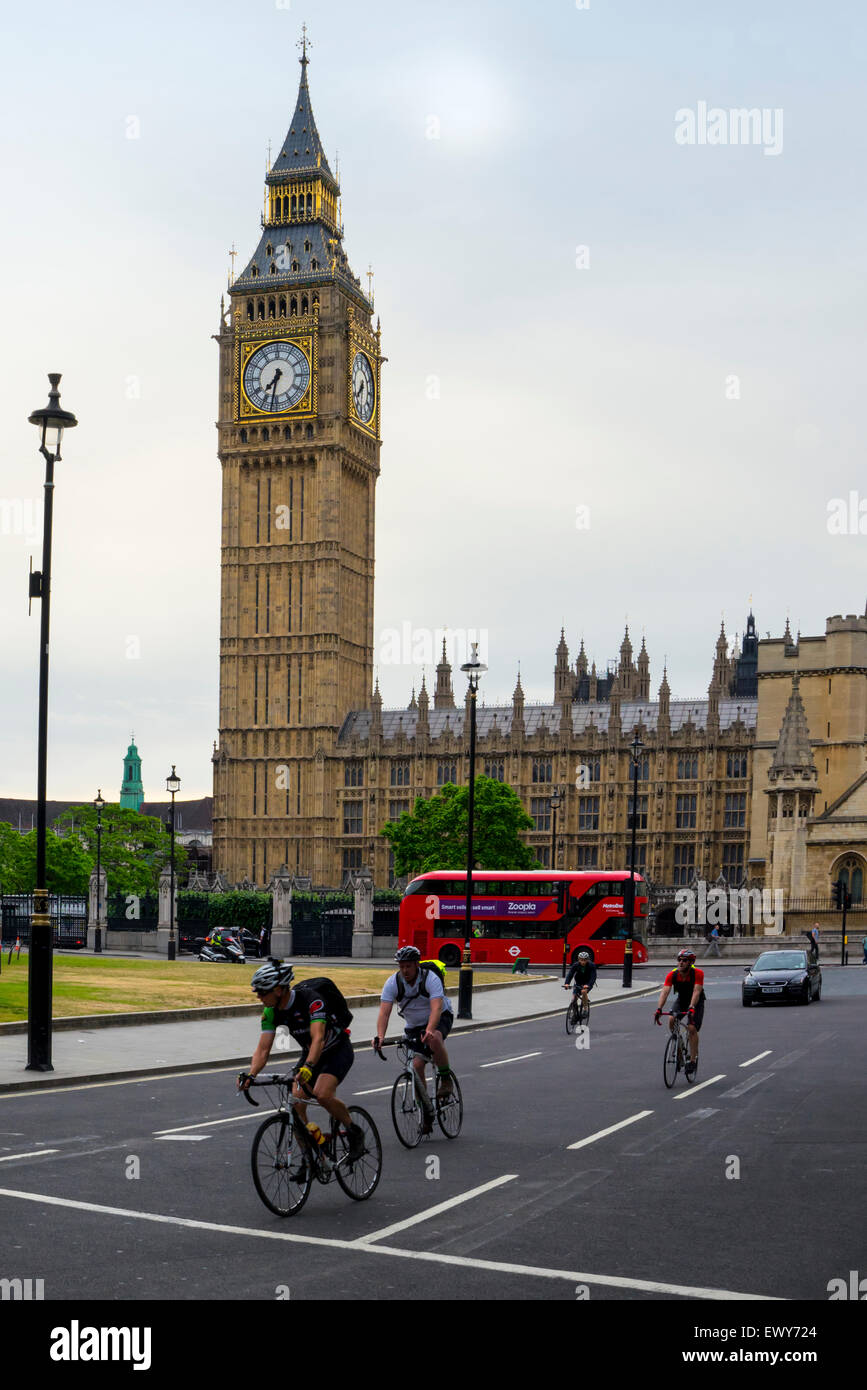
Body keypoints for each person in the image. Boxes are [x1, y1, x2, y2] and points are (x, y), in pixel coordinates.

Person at [238, 959, 364, 1160]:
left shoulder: (311, 1000)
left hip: (336, 1049)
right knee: (296, 1106)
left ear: (279, 990)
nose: (259, 997)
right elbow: (263, 1050)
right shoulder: (271, 1012)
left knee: (322, 1095)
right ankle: (313, 1158)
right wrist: (251, 1074)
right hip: (309, 1054)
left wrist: (308, 1067)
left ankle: (354, 1131)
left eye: (262, 992)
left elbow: (318, 1038)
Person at [374, 946, 454, 1134]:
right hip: (413, 1025)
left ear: (417, 965)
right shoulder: (393, 982)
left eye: (408, 966)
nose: (405, 971)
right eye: (401, 966)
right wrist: (380, 1036)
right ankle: (426, 1111)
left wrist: (429, 1029)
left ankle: (445, 1078)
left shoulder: (430, 979)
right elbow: (384, 1012)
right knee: (416, 1067)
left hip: (440, 1017)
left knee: (434, 1039)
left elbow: (436, 1008)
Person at [654, 948, 706, 1077]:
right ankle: (679, 1049)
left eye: (684, 960)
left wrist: (692, 1006)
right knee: (672, 1019)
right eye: (679, 960)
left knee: (691, 1027)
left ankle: (692, 1060)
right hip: (682, 1000)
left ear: (691, 962)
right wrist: (659, 1009)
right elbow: (665, 992)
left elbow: (696, 992)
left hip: (696, 1002)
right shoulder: (672, 974)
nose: (681, 962)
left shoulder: (698, 973)